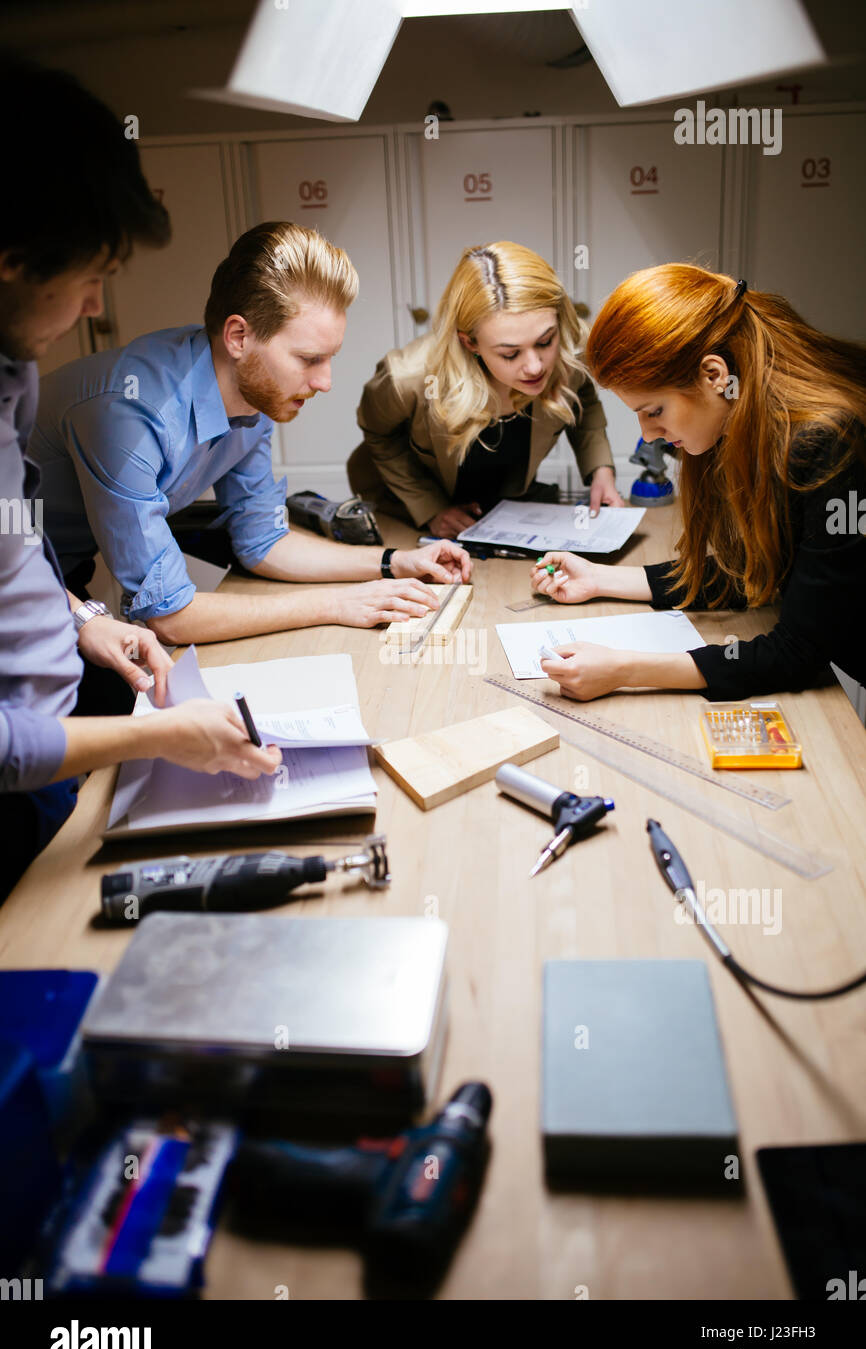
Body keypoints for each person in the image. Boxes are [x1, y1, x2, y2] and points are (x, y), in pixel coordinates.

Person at [0, 57, 281, 902]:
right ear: (14, 260)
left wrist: (78, 617)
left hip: (59, 746)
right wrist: (149, 739)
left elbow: (16, 545)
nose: (95, 309)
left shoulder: (15, 373)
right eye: (90, 278)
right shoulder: (120, 406)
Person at [30, 222, 471, 647]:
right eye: (309, 358)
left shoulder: (253, 395)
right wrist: (339, 603)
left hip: (56, 571)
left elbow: (263, 541)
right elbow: (169, 617)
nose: (325, 382)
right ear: (238, 336)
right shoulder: (130, 413)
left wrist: (393, 562)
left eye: (330, 357)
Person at [530, 264, 866, 703]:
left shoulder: (830, 442)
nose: (648, 434)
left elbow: (801, 651)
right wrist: (600, 579)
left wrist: (623, 669)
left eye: (654, 411)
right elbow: (760, 570)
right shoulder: (742, 414)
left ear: (713, 375)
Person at [346, 241, 622, 539]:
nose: (535, 367)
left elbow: (583, 398)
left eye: (544, 342)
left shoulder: (571, 346)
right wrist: (431, 509)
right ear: (470, 343)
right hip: (406, 509)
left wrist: (600, 470)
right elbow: (379, 433)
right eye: (509, 353)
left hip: (505, 511)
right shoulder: (407, 378)